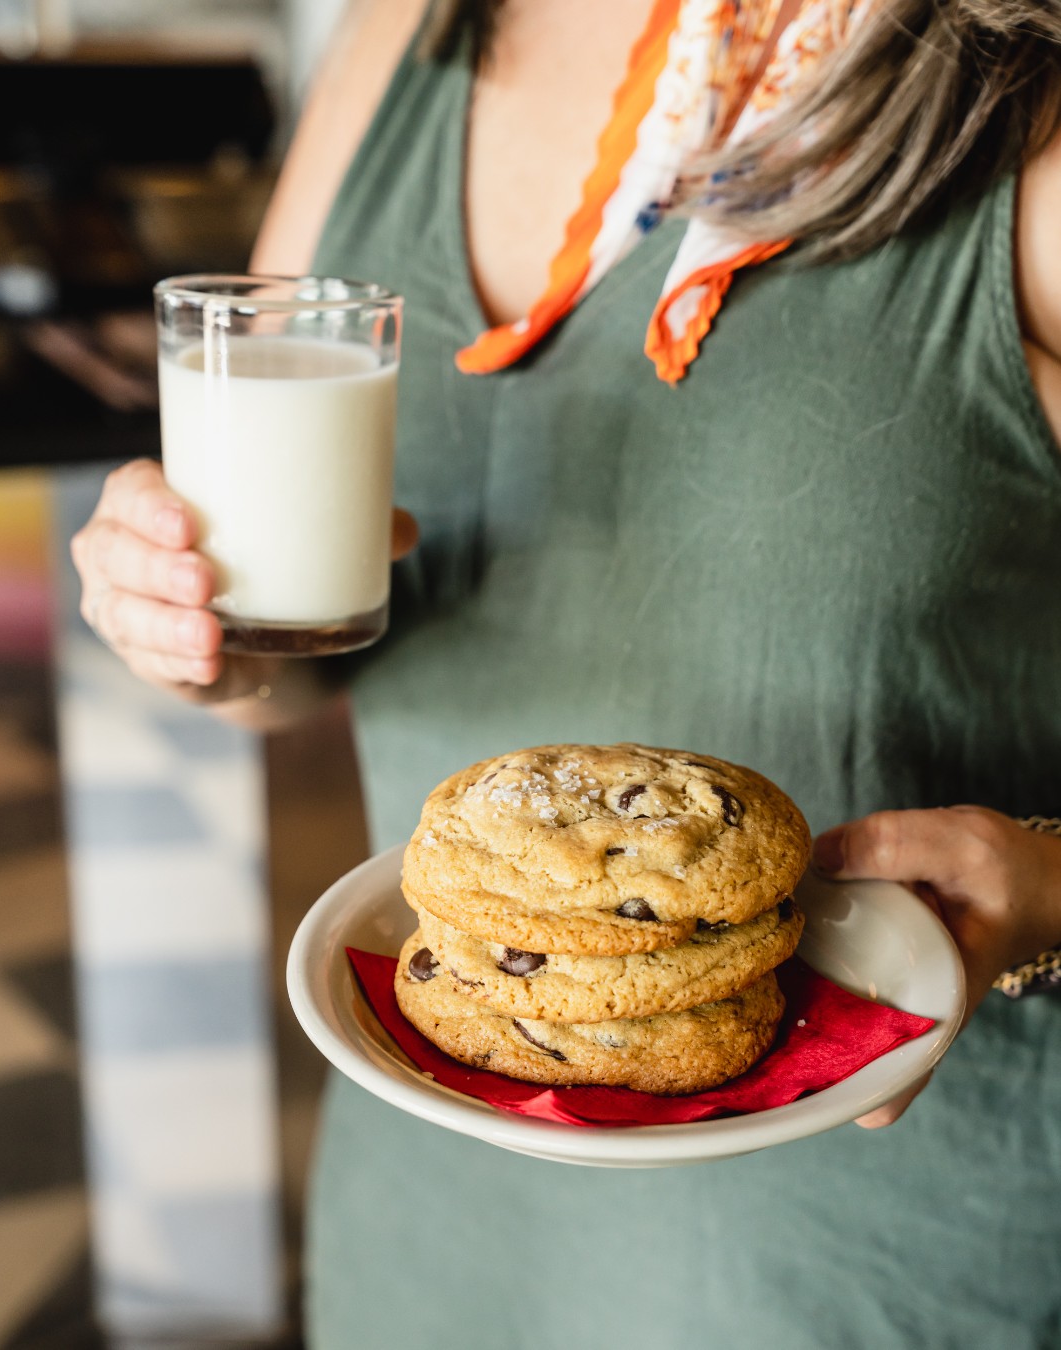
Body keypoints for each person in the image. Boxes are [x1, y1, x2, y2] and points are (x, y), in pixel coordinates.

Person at [71, 0, 1061, 1344]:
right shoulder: (402, 40)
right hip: (432, 1221)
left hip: (863, 1263)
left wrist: (1049, 882)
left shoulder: (1027, 114)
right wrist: (202, 628)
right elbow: (309, 647)